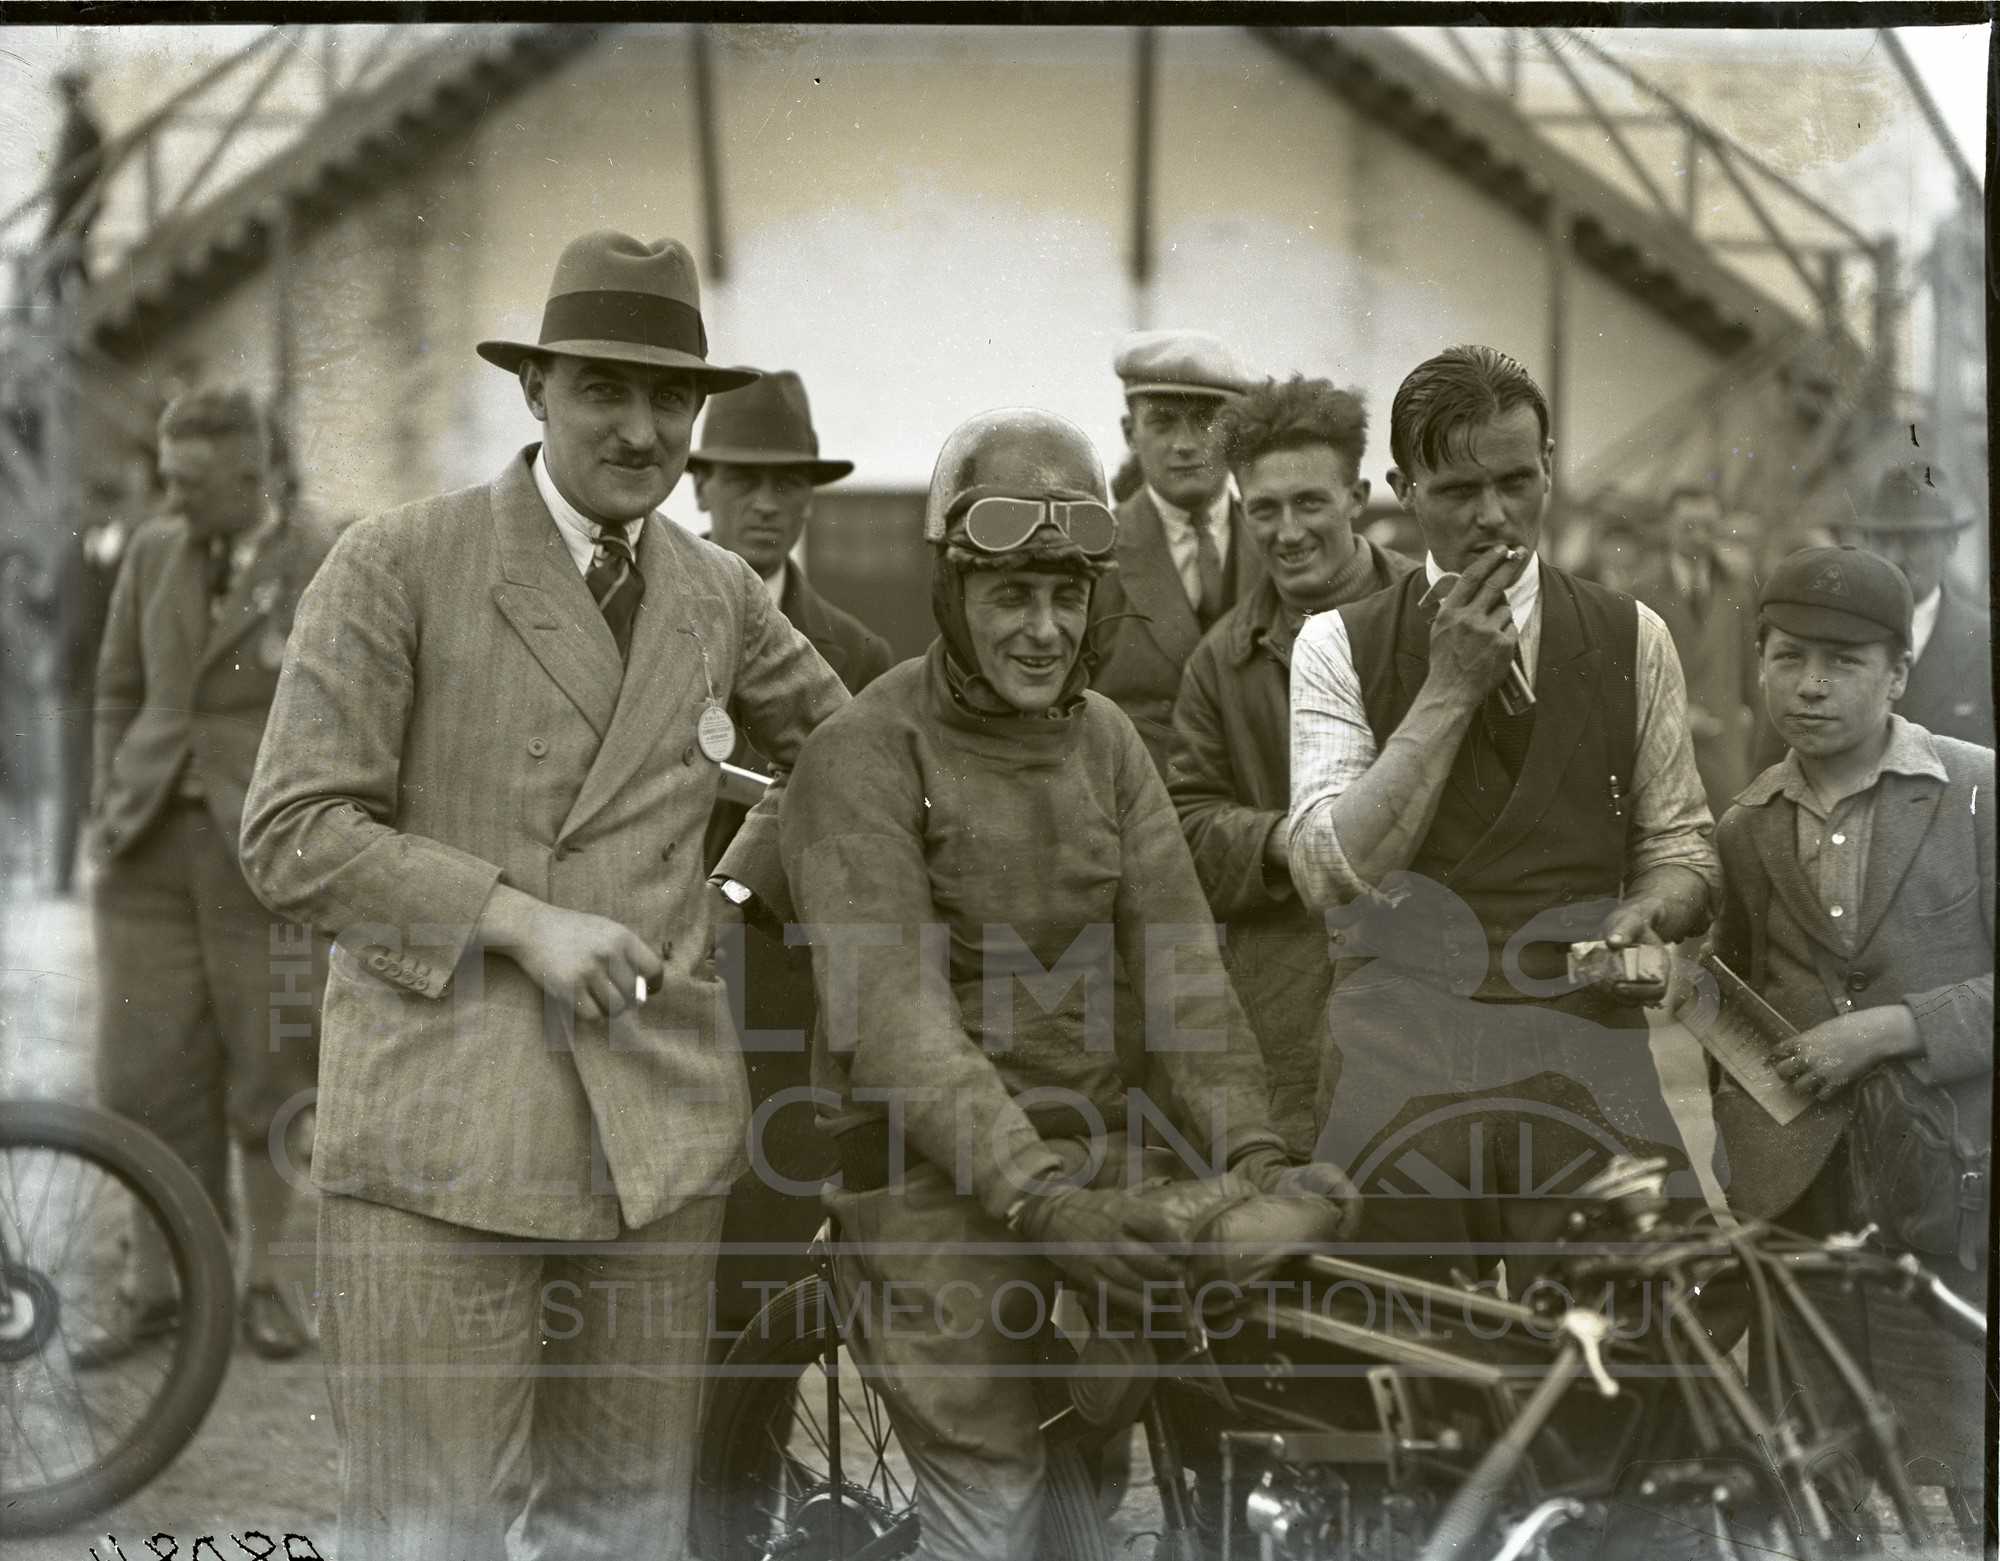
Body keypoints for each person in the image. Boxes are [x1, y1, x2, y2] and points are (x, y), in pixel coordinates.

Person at [239, 230, 850, 1560]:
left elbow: (851, 762)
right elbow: (290, 833)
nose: (642, 431)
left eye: (672, 399)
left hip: (654, 1146)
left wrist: (730, 882)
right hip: (438, 1135)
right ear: (536, 391)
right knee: (428, 1530)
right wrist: (521, 919)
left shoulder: (719, 592)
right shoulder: (396, 563)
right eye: (603, 392)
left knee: (623, 1531)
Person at [779, 407, 1357, 1561]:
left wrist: (1250, 1155)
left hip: (1099, 1185)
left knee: (1102, 1498)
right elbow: (898, 1022)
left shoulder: (1106, 743)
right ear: (951, 592)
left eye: (1066, 596)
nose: (1042, 630)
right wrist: (1039, 1199)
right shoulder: (862, 750)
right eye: (1008, 596)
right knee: (992, 1509)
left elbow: (1184, 976)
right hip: (935, 1188)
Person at [1288, 345, 1719, 1278]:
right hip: (1399, 1055)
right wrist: (1448, 686)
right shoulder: (1334, 644)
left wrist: (1657, 903)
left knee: (1635, 1353)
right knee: (1408, 1358)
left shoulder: (1631, 633)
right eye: (1455, 490)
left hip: (1583, 1046)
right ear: (1403, 488)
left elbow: (1682, 841)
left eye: (1517, 481)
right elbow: (1329, 872)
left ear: (1551, 468)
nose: (1492, 515)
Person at [1708, 543, 1991, 1538]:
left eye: (1842, 662)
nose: (1809, 686)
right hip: (1800, 1211)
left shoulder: (1973, 793)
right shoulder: (1743, 825)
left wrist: (1887, 1029)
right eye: (1785, 657)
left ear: (1898, 672)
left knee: (1965, 1478)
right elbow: (1730, 1012)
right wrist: (1749, 1165)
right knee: (1811, 1480)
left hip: (1949, 1203)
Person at [80, 386, 332, 1365]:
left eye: (190, 484)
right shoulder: (152, 550)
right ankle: (157, 1288)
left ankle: (268, 1284)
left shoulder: (320, 559)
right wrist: (112, 797)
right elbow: (116, 686)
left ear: (252, 474)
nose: (171, 501)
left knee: (271, 1067)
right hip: (146, 851)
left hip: (264, 853)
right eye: (166, 480)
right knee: (141, 1073)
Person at [684, 366, 893, 1341]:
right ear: (700, 486)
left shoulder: (852, 654)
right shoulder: (635, 621)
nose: (766, 503)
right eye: (743, 480)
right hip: (648, 970)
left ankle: (744, 1463)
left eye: (788, 484)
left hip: (778, 989)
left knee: (763, 1248)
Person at [1166, 375, 1414, 1155]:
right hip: (1290, 1010)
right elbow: (1187, 826)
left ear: (1359, 496)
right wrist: (1301, 843)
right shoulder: (1219, 662)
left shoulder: (1439, 614)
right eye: (1263, 509)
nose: (1287, 530)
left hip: (1436, 985)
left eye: (1310, 502)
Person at [1091, 329, 1259, 773]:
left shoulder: (1279, 545)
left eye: (1205, 421)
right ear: (1131, 432)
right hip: (1139, 816)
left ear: (1236, 433)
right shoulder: (1095, 554)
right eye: (1163, 422)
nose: (1185, 444)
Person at [1832, 461, 1992, 747]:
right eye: (1881, 540)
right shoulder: (1829, 635)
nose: (1894, 557)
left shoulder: (1985, 643)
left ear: (1951, 542)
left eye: (1912, 539)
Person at [1628, 483, 1761, 815]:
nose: (1700, 537)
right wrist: (1678, 715)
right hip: (1666, 746)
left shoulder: (1738, 590)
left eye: (1709, 528)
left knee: (1730, 840)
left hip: (1724, 748)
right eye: (1689, 527)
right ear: (1667, 527)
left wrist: (1746, 723)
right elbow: (1632, 674)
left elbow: (1750, 672)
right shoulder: (1642, 590)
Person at [41, 66, 104, 299]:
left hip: (75, 199)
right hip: (74, 198)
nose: (63, 98)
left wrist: (60, 187)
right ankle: (87, 300)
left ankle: (72, 307)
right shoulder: (78, 119)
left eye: (65, 92)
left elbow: (82, 165)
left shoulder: (80, 121)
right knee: (71, 252)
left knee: (52, 250)